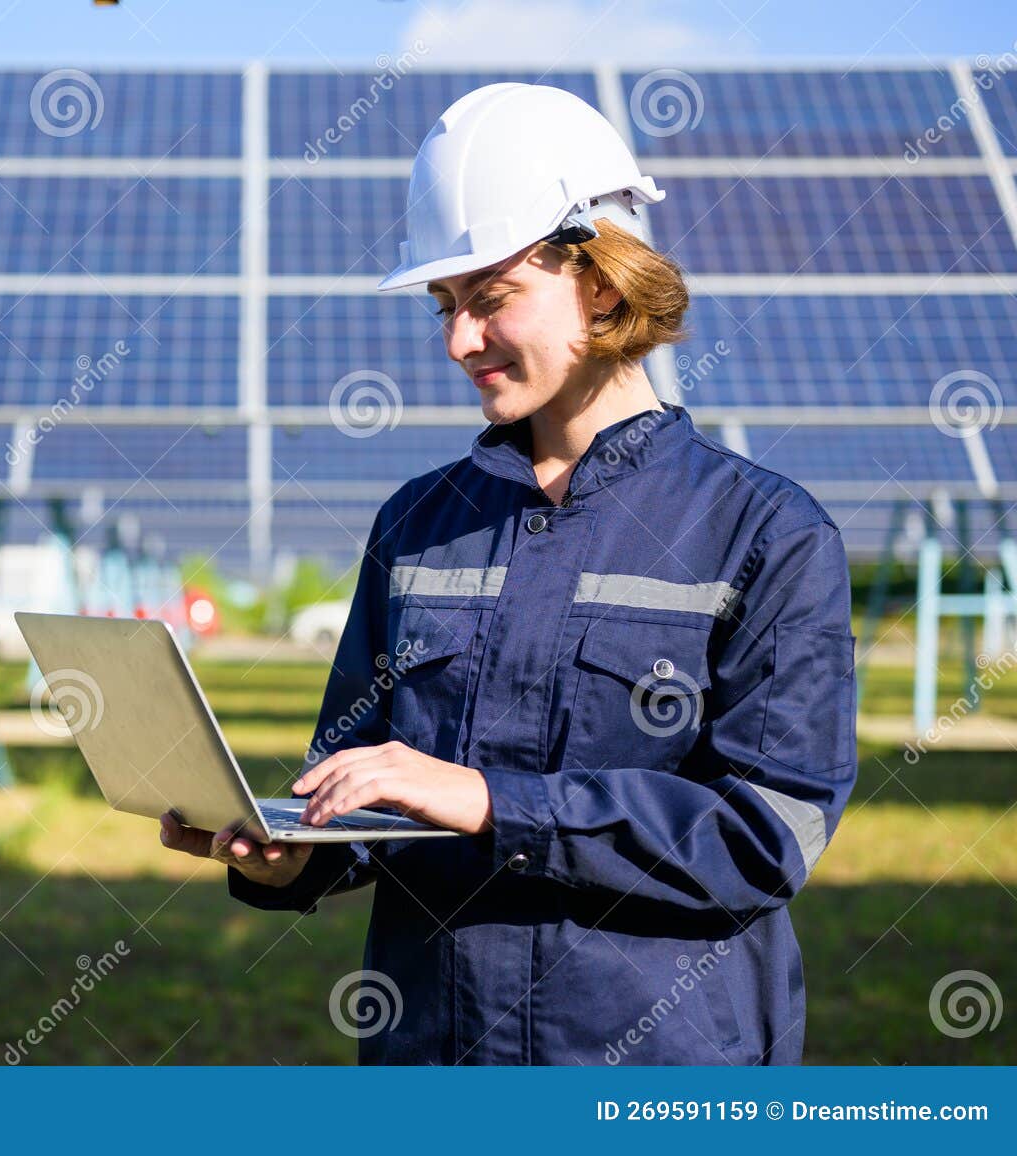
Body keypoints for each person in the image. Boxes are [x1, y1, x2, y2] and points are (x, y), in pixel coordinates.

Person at [159, 83, 857, 1065]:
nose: (455, 341)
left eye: (488, 298)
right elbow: (367, 787)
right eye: (446, 305)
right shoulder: (415, 526)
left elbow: (764, 836)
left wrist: (493, 801)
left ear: (602, 284)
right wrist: (290, 857)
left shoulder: (764, 534)